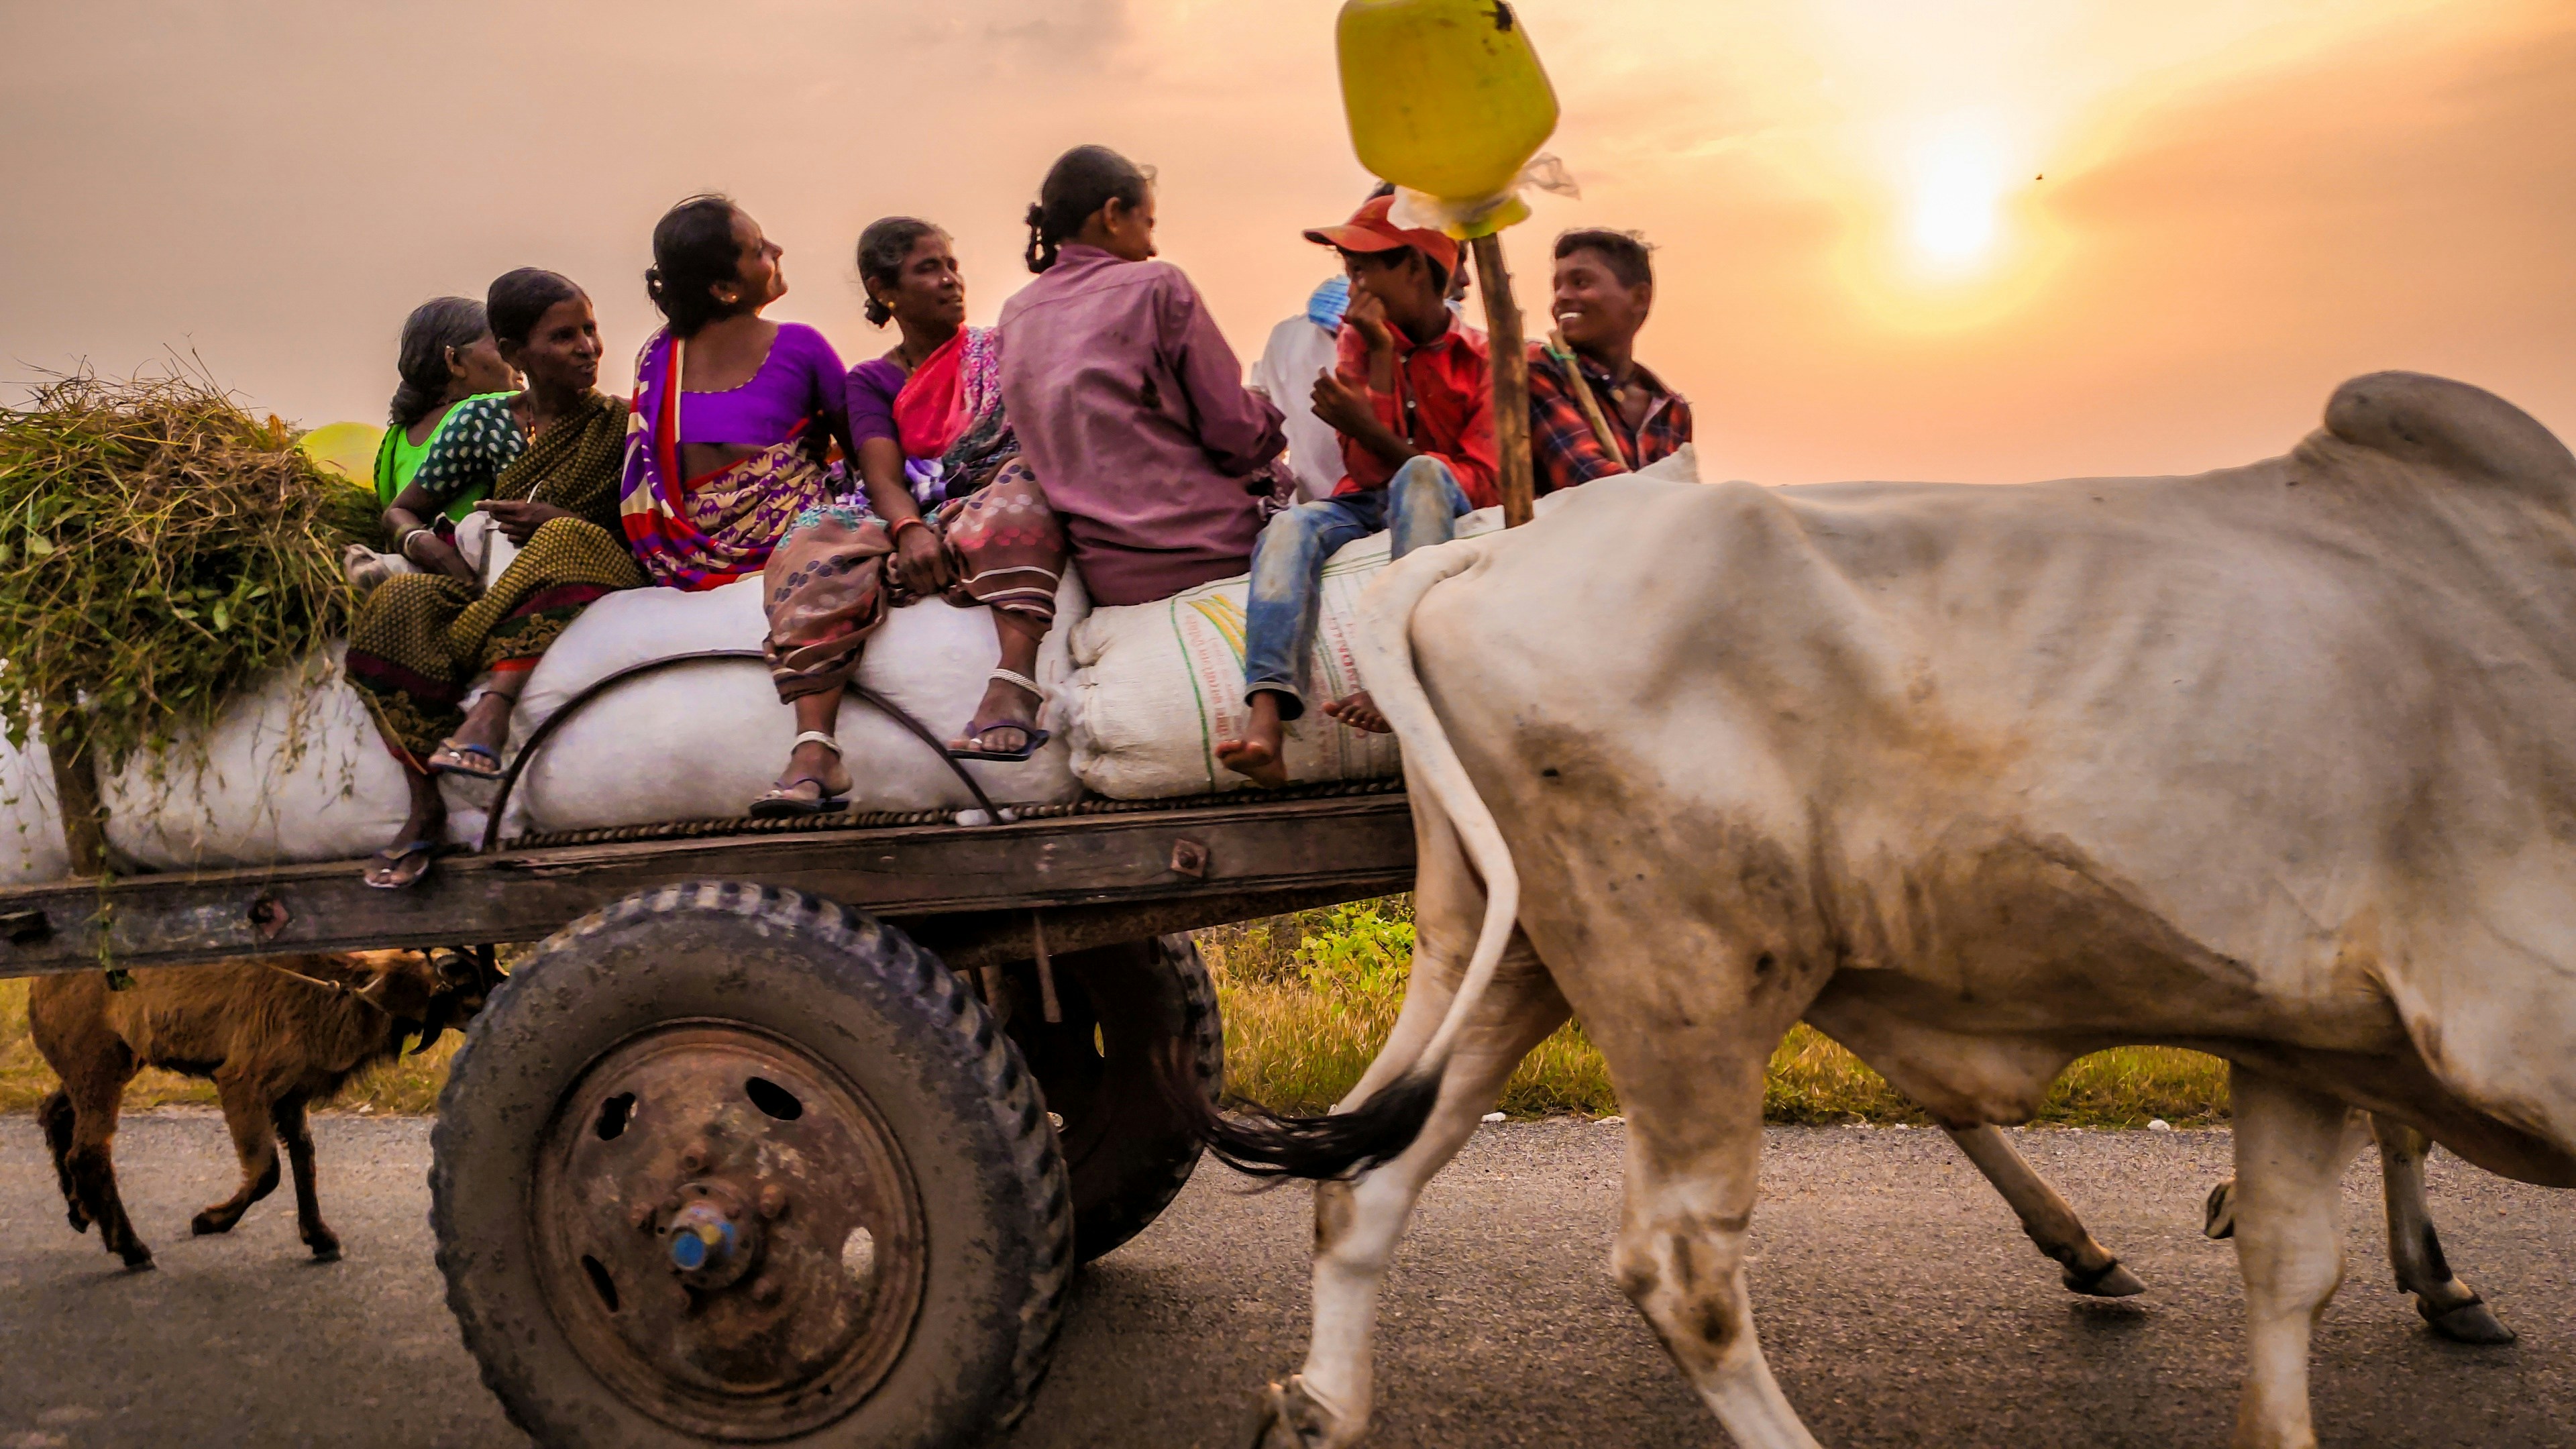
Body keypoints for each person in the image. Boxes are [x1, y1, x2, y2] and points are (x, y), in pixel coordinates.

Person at [755, 217, 1069, 814]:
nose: (952, 281)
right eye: (930, 269)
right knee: (809, 537)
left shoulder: (998, 350)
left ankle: (1013, 688)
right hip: (911, 510)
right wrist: (909, 531)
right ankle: (815, 749)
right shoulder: (871, 380)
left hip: (990, 494)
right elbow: (881, 474)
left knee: (1031, 475)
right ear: (884, 290)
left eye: (952, 265)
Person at [345, 268, 636, 888]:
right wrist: (423, 545)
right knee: (396, 602)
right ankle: (424, 805)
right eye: (563, 336)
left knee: (562, 535)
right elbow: (402, 509)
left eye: (590, 329)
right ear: (512, 354)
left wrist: (557, 517)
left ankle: (491, 717)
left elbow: (642, 528)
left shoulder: (622, 425)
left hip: (591, 562)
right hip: (494, 580)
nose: (587, 347)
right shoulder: (482, 423)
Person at [1216, 193, 1496, 786]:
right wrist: (1379, 360)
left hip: (1440, 496)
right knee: (1289, 524)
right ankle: (1266, 716)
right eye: (1349, 265)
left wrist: (1372, 426)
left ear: (1416, 269)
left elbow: (1481, 478)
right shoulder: (1359, 337)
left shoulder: (1484, 360)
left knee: (1424, 475)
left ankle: (1393, 672)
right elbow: (1366, 471)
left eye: (1365, 266)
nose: (1352, 279)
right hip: (1366, 498)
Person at [998, 144, 1288, 612]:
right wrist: (1267, 413)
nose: (1152, 247)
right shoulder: (1157, 286)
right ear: (1113, 215)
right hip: (1212, 548)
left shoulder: (1015, 316)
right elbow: (1233, 434)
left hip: (1111, 576)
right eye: (1147, 224)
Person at [621, 195, 850, 593]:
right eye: (759, 249)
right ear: (724, 287)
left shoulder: (657, 358)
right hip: (798, 547)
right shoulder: (801, 344)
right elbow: (865, 451)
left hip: (685, 563)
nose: (778, 251)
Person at [1527, 228, 1693, 495]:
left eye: (1580, 283)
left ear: (1640, 298)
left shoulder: (1671, 409)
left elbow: (1680, 497)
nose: (1561, 297)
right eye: (1556, 287)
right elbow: (1585, 476)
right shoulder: (1540, 369)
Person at [372, 297, 520, 516]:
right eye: (502, 348)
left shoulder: (394, 440)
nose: (518, 359)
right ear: (456, 362)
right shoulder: (490, 411)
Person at [1247, 274, 1350, 503]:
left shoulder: (1286, 335)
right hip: (1326, 502)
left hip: (1315, 501)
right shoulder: (1287, 337)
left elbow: (1255, 405)